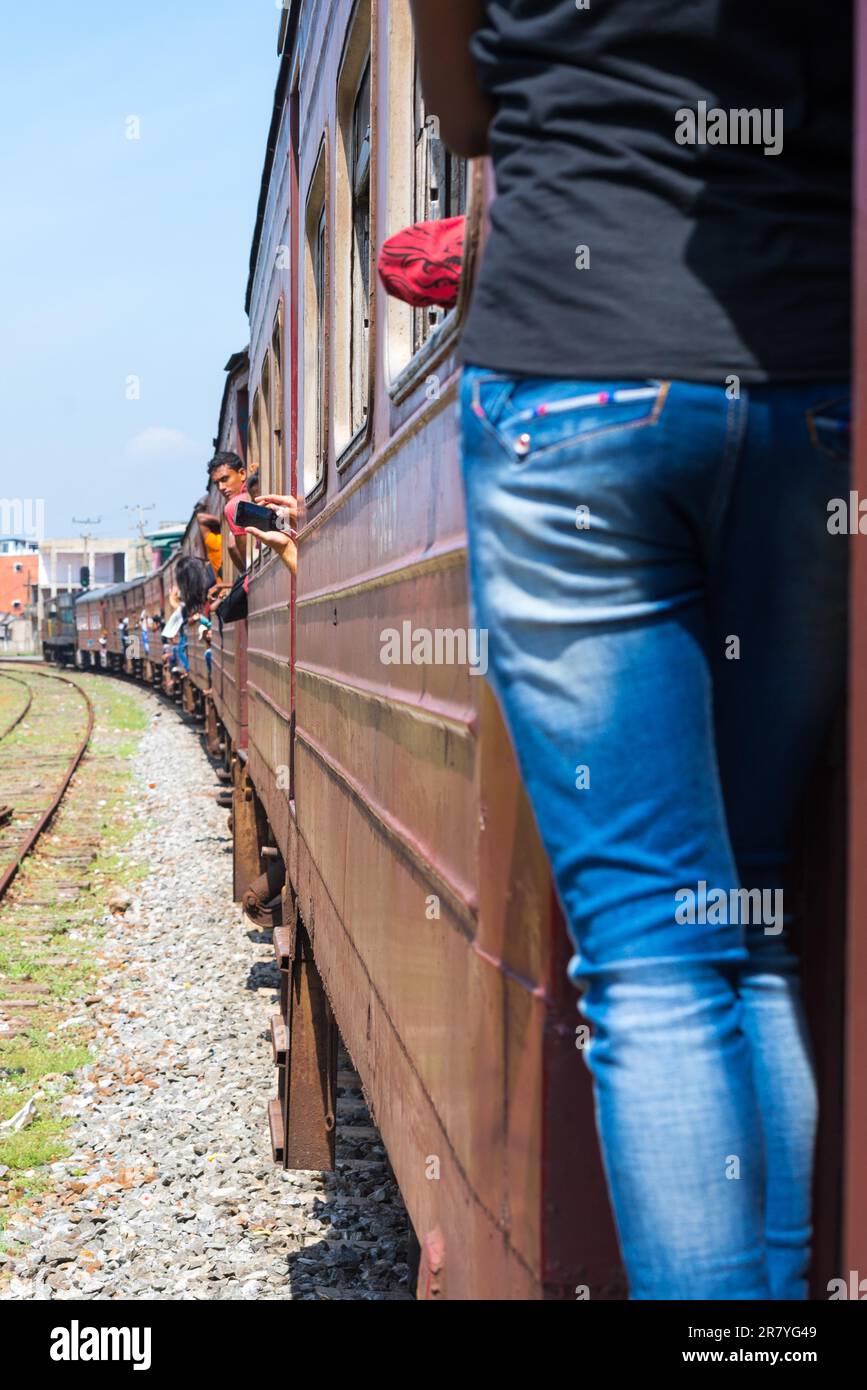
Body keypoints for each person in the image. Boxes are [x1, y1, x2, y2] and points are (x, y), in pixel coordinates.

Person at [410, 0, 852, 1301]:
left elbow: (464, 103)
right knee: (749, 907)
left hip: (573, 374)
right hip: (807, 385)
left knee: (654, 951)